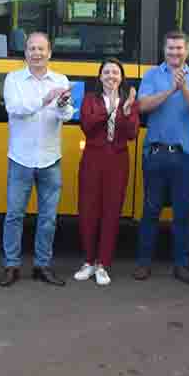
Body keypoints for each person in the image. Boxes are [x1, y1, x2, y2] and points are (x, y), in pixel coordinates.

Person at [1, 32, 73, 287]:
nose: (37, 53)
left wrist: (62, 104)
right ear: (26, 53)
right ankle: (11, 265)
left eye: (41, 49)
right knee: (14, 215)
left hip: (50, 158)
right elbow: (14, 109)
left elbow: (67, 115)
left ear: (49, 53)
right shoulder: (13, 79)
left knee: (48, 218)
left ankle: (43, 265)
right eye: (32, 48)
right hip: (20, 157)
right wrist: (45, 99)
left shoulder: (60, 80)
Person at [134, 32, 189, 283]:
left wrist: (183, 88)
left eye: (179, 48)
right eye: (171, 48)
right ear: (164, 50)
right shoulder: (152, 75)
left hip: (186, 155)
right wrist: (170, 90)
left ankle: (181, 265)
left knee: (183, 214)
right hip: (156, 153)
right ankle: (143, 263)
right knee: (150, 211)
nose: (175, 52)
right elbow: (143, 106)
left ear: (186, 51)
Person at [75, 59, 139, 285]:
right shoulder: (90, 100)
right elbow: (87, 126)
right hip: (93, 158)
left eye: (115, 73)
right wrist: (110, 109)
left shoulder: (129, 101)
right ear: (100, 77)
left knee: (111, 211)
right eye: (107, 72)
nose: (111, 76)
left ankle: (103, 263)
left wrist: (127, 112)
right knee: (88, 209)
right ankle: (88, 261)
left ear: (121, 78)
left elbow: (132, 134)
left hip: (118, 160)